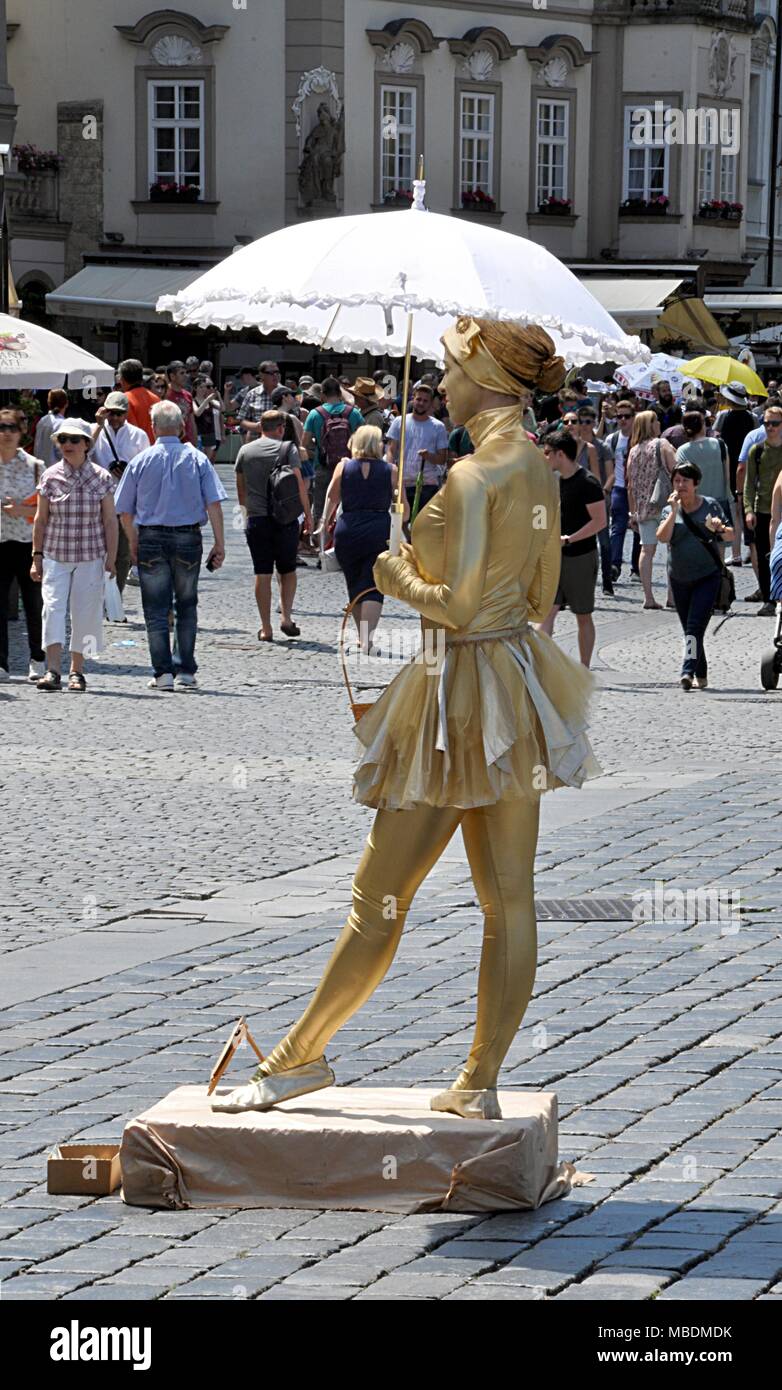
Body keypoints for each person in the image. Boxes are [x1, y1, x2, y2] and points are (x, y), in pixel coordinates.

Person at [213, 316, 599, 1121]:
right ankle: (478, 1084)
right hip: (516, 688)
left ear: (487, 377)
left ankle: (297, 1061)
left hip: (452, 691)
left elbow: (453, 607)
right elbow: (537, 594)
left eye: (452, 371)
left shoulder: (471, 476)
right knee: (510, 900)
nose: (441, 384)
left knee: (378, 893)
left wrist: (394, 572)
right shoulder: (536, 465)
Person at [113, 401, 226, 691]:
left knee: (155, 609)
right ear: (180, 427)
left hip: (151, 536)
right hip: (188, 537)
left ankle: (162, 673)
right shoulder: (198, 458)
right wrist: (219, 542)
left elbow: (124, 510)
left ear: (153, 427)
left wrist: (133, 541)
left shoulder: (141, 460)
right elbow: (213, 503)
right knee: (186, 605)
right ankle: (185, 670)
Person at [30, 419, 118, 693]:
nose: (67, 444)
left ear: (86, 445)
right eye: (63, 440)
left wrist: (111, 558)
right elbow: (40, 519)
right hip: (56, 553)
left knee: (85, 612)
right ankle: (52, 670)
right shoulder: (50, 476)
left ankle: (76, 671)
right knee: (53, 609)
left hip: (90, 555)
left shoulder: (102, 477)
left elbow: (110, 521)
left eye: (74, 440)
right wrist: (36, 556)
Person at [322, 424, 405, 653]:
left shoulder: (343, 466)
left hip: (348, 527)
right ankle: (368, 641)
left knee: (354, 582)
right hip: (378, 528)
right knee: (373, 584)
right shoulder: (391, 470)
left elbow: (331, 497)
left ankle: (361, 638)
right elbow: (403, 511)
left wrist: (322, 526)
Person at [234, 409, 312, 641]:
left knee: (262, 572)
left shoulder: (245, 451)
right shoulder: (288, 449)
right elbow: (299, 485)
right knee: (288, 569)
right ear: (280, 428)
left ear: (260, 427)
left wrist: (244, 515)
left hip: (257, 519)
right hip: (286, 519)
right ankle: (286, 617)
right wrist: (307, 515)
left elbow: (241, 488)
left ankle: (265, 627)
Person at [656, 461, 733, 690]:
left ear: (696, 484)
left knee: (693, 626)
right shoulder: (669, 510)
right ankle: (702, 671)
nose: (680, 486)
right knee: (692, 629)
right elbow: (662, 537)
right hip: (679, 578)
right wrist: (674, 512)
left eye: (685, 481)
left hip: (707, 577)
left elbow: (730, 535)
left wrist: (719, 528)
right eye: (677, 481)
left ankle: (687, 670)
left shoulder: (709, 506)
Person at [540, 428, 606, 666]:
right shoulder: (553, 481)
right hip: (554, 557)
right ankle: (540, 665)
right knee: (548, 611)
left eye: (547, 453)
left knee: (583, 615)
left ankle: (584, 667)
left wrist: (569, 539)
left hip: (580, 557)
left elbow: (600, 521)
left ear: (560, 454)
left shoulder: (587, 482)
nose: (544, 457)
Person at [0, 408, 46, 682]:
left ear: (20, 432)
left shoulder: (34, 466)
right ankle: (1, 663)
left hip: (28, 544)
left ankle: (37, 659)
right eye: (2, 427)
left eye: (11, 428)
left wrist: (22, 511)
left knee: (34, 604)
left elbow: (47, 508)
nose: (6, 433)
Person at [90, 391, 149, 593]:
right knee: (98, 552)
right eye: (111, 413)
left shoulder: (138, 435)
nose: (115, 418)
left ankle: (115, 597)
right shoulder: (94, 431)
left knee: (123, 554)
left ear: (126, 413)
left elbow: (146, 468)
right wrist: (98, 425)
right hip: (98, 501)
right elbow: (83, 453)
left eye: (119, 413)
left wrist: (128, 469)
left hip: (126, 502)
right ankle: (97, 594)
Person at [626, 410, 677, 610]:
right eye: (656, 420)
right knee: (672, 549)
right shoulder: (662, 444)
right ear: (650, 424)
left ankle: (648, 597)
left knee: (646, 551)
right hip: (666, 504)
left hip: (644, 507)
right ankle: (671, 597)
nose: (659, 423)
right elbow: (676, 469)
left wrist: (633, 512)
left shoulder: (633, 450)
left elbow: (630, 485)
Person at [302, 376, 363, 528]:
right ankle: (339, 539)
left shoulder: (315, 414)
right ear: (339, 393)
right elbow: (363, 439)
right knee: (346, 506)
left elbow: (304, 444)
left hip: (323, 466)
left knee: (320, 506)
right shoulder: (354, 413)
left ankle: (318, 541)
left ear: (322, 394)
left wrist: (316, 450)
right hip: (349, 467)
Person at [386, 381, 448, 521]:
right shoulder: (399, 422)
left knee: (422, 524)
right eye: (418, 399)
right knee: (400, 522)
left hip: (427, 484)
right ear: (412, 399)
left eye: (425, 401)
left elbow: (442, 458)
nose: (421, 403)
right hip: (402, 483)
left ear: (431, 404)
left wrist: (429, 456)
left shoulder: (438, 427)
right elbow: (391, 450)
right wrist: (390, 470)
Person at [744, 404, 782, 616]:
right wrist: (748, 509)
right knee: (765, 556)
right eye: (766, 423)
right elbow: (749, 483)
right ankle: (768, 598)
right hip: (762, 511)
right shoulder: (756, 451)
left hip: (781, 511)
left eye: (774, 423)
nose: (770, 427)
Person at [714, 381, 756, 568]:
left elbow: (716, 439)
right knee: (748, 508)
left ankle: (736, 554)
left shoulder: (723, 416)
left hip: (729, 467)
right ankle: (751, 549)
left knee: (734, 512)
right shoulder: (752, 417)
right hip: (749, 466)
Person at [576, 405, 614, 596]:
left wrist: (604, 491)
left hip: (598, 499)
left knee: (604, 542)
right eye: (580, 421)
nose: (583, 426)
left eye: (587, 422)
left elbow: (611, 474)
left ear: (593, 422)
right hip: (577, 500)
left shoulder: (602, 447)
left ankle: (607, 581)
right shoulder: (573, 446)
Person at [675, 410, 732, 530]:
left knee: (696, 543)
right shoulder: (721, 445)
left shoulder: (682, 451)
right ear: (703, 425)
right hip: (719, 501)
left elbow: (682, 480)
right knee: (719, 543)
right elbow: (727, 476)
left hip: (695, 503)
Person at [605, 400, 640, 581]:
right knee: (617, 528)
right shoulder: (613, 439)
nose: (623, 420)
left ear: (634, 417)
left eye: (627, 416)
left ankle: (636, 567)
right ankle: (614, 565)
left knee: (638, 528)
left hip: (638, 489)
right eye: (619, 416)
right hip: (619, 487)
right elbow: (608, 465)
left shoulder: (640, 438)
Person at [117, 359, 160, 445]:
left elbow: (132, 432)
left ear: (122, 379)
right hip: (156, 447)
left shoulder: (125, 399)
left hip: (138, 449)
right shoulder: (156, 398)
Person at [237, 361, 283, 438]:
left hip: (282, 444)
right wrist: (256, 427)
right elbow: (241, 420)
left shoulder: (287, 394)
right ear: (262, 375)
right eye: (271, 373)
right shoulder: (252, 394)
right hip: (258, 443)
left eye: (277, 372)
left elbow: (296, 421)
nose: (275, 375)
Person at [164, 361, 197, 446]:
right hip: (170, 442)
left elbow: (191, 421)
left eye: (186, 373)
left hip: (187, 443)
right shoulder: (164, 395)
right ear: (172, 376)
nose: (186, 376)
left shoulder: (188, 395)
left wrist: (195, 441)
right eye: (182, 373)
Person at [192, 378, 225, 462]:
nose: (204, 389)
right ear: (195, 388)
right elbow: (197, 413)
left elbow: (222, 409)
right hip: (199, 433)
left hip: (210, 433)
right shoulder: (193, 401)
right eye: (201, 387)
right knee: (199, 459)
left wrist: (219, 397)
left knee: (207, 460)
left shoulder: (211, 402)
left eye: (205, 387)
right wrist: (207, 400)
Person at [33, 389, 69, 466]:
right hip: (56, 471)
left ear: (48, 403)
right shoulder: (63, 424)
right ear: (66, 404)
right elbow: (62, 452)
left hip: (39, 468)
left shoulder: (42, 421)